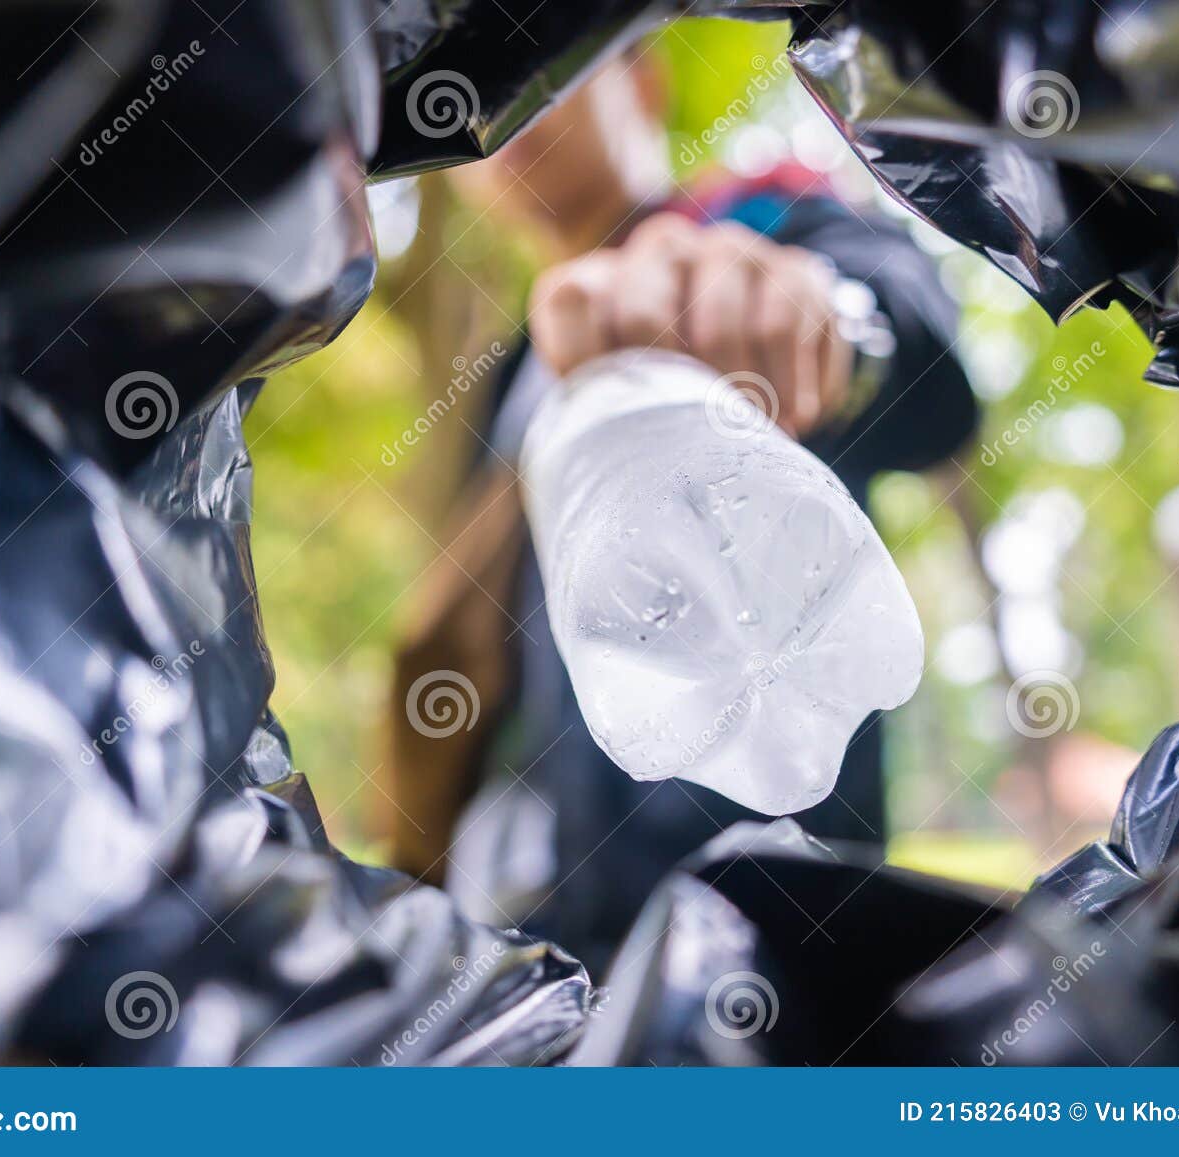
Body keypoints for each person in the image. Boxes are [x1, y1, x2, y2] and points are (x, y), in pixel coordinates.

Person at [380, 43, 977, 976]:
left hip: (754, 913)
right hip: (525, 916)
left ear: (643, 83)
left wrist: (825, 325)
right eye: (470, 121)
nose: (507, 131)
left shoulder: (768, 217)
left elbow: (929, 376)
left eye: (538, 83)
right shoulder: (505, 379)